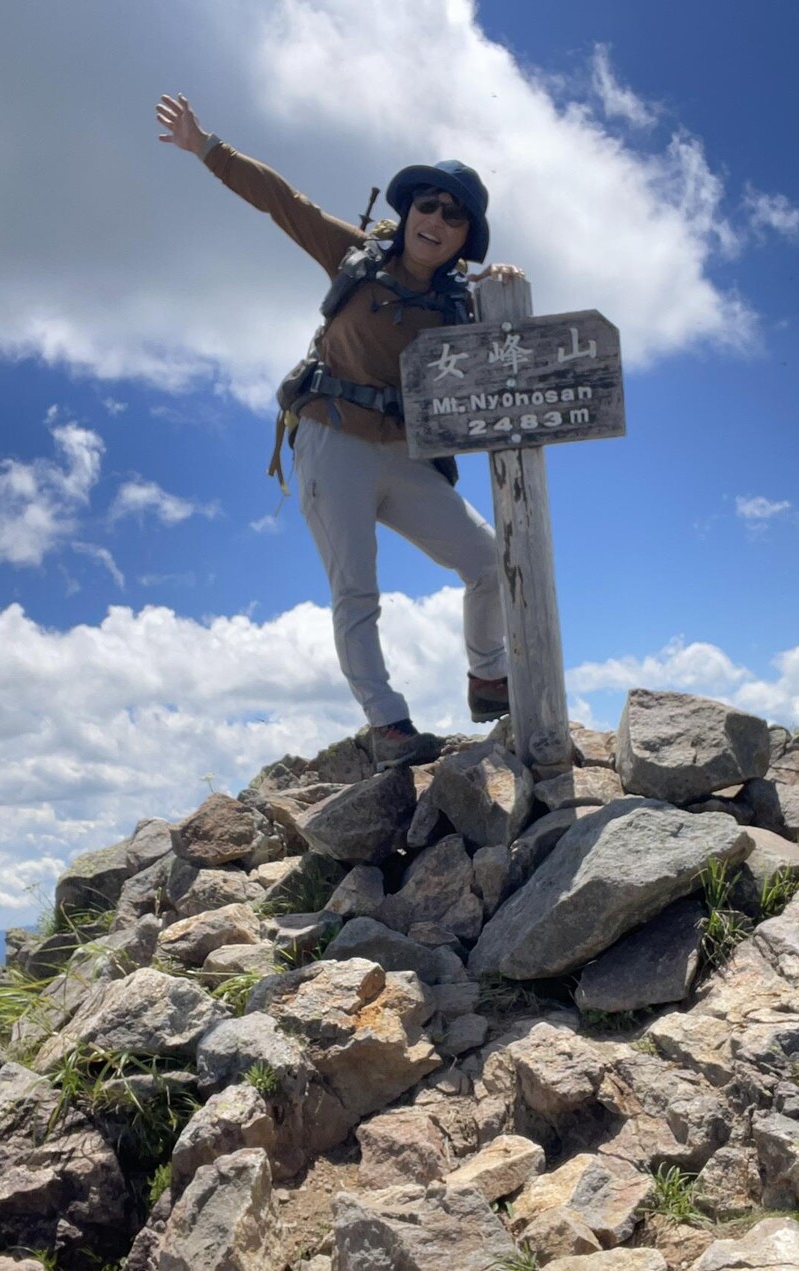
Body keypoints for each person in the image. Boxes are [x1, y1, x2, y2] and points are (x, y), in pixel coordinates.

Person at [156, 94, 520, 767]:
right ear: (408, 210)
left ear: (465, 237)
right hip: (331, 440)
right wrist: (207, 148)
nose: (436, 218)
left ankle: (487, 676)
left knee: (487, 559)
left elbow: (502, 363)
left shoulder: (460, 304)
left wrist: (500, 289)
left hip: (405, 457)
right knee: (356, 588)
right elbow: (282, 201)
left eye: (454, 214)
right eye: (428, 204)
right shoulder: (356, 257)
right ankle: (389, 725)